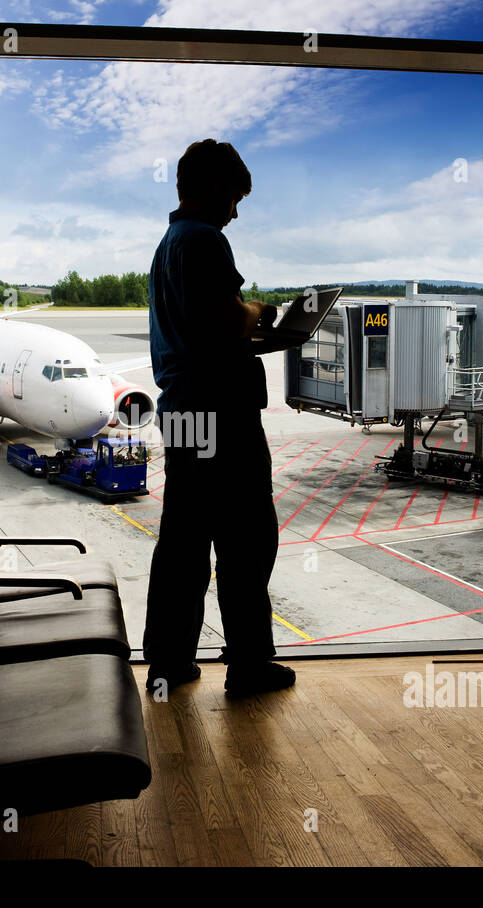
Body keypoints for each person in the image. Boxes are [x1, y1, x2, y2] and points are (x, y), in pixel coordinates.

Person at [142, 138, 296, 699]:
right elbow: (231, 320)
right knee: (247, 538)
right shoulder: (205, 240)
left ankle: (168, 659)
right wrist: (261, 311)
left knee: (182, 540)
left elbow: (200, 331)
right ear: (211, 189)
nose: (236, 211)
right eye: (234, 196)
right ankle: (250, 664)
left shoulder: (168, 244)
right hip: (220, 416)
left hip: (182, 412)